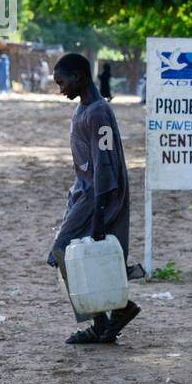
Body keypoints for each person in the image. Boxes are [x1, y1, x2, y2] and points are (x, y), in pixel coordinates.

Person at [47, 52, 140, 345]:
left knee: (63, 254)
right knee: (77, 258)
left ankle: (118, 311)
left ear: (79, 77)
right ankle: (102, 324)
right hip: (83, 195)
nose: (60, 89)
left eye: (62, 82)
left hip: (97, 197)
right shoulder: (85, 110)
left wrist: (99, 213)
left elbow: (104, 165)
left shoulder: (98, 113)